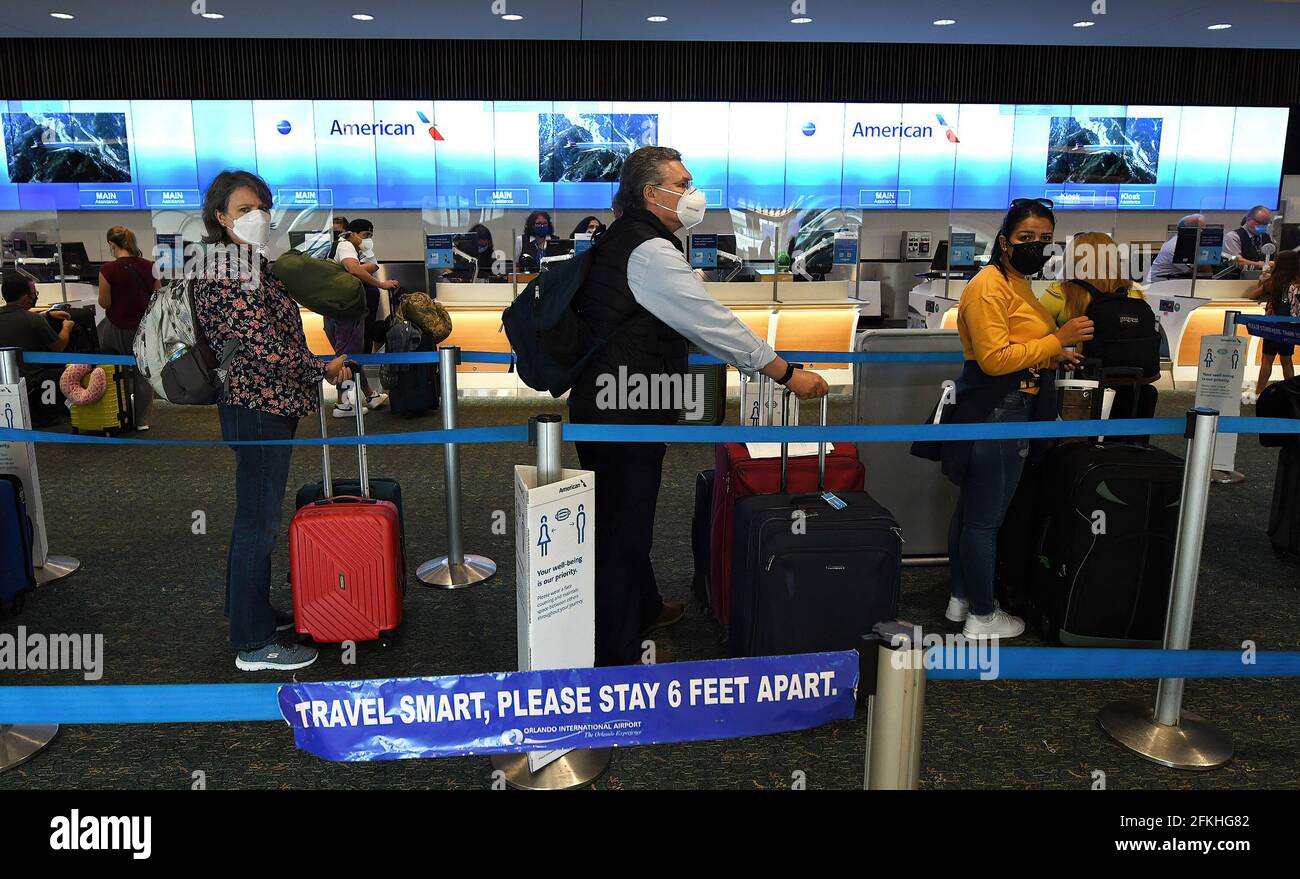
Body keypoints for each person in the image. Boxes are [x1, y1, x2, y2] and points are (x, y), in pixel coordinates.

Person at [567, 145, 829, 666]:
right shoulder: (650, 250)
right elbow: (708, 320)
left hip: (614, 401)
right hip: (624, 411)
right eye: (682, 184)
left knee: (626, 514)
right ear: (651, 194)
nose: (692, 193)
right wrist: (783, 371)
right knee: (624, 525)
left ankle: (642, 607)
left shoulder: (628, 239)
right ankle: (617, 654)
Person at [189, 170, 352, 673]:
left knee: (257, 515)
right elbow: (261, 346)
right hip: (255, 405)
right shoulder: (227, 268)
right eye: (243, 208)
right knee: (256, 522)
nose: (257, 214)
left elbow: (270, 337)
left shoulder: (248, 263)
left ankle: (249, 611)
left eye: (262, 205)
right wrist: (317, 367)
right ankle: (254, 643)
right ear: (220, 216)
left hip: (267, 403)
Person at [947, 198, 1092, 639]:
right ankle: (983, 616)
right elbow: (994, 359)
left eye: (1045, 239)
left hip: (1006, 403)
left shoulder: (1015, 284)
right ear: (1004, 241)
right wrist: (1057, 341)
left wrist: (1054, 353)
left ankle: (961, 598)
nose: (1036, 246)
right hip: (999, 408)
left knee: (971, 512)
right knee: (985, 519)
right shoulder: (989, 287)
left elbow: (1017, 345)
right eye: (1026, 238)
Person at [1042, 231, 1159, 420]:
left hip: (1081, 384)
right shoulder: (1135, 294)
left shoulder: (1061, 293)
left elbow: (1032, 331)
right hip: (1132, 387)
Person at [329, 218, 394, 417]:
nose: (367, 240)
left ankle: (370, 395)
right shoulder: (346, 245)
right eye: (365, 236)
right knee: (347, 357)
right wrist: (381, 284)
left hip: (337, 307)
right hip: (346, 309)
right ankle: (342, 403)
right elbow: (353, 268)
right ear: (354, 233)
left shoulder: (339, 246)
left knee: (350, 354)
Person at [97, 225, 158, 428]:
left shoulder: (107, 270)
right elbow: (157, 298)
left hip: (116, 327)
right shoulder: (150, 266)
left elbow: (104, 302)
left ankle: (121, 414)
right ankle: (142, 421)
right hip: (144, 328)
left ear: (112, 245)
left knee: (118, 372)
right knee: (143, 374)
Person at [0, 272, 74, 425]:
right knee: (71, 369)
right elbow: (59, 347)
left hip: (4, 380)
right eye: (33, 294)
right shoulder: (33, 320)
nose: (35, 297)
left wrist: (46, 315)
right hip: (32, 380)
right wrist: (66, 328)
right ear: (25, 297)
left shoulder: (32, 318)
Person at [1246, 249, 1300, 398]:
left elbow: (1252, 295)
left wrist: (1262, 280)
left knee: (1267, 360)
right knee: (1287, 360)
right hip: (1290, 326)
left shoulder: (1272, 282)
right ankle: (1293, 394)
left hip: (1272, 327)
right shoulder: (1297, 284)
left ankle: (1258, 393)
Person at [1144, 214, 1204, 283]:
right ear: (1191, 231)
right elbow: (1192, 271)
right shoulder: (1175, 246)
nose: (1203, 232)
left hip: (1172, 280)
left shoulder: (1183, 242)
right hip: (1159, 284)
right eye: (1202, 229)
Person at [1224, 205, 1274, 270]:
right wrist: (1260, 265)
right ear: (1248, 219)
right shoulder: (1233, 236)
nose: (1263, 226)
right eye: (1260, 222)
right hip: (1240, 278)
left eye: (1266, 224)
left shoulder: (1266, 237)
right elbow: (1236, 261)